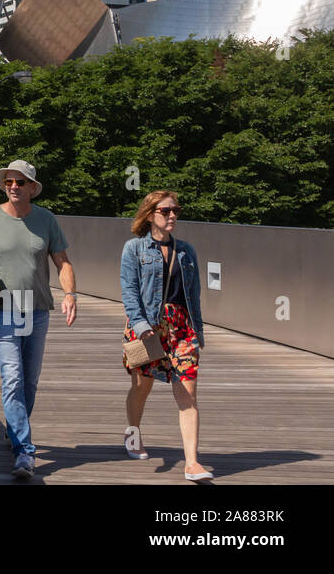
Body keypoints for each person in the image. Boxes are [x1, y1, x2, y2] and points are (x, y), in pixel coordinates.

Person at [0, 159, 77, 480]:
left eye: (20, 182)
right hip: (1, 308)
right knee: (13, 378)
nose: (13, 187)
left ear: (32, 187)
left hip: (38, 310)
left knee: (29, 381)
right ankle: (24, 452)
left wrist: (70, 294)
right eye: (8, 182)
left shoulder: (46, 220)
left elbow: (63, 262)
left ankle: (14, 428)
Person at [120, 190, 212, 482]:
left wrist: (198, 331)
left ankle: (192, 463)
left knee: (188, 394)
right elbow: (129, 291)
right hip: (146, 325)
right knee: (141, 387)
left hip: (181, 328)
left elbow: (193, 295)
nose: (172, 216)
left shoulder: (186, 251)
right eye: (166, 211)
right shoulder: (133, 249)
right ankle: (133, 433)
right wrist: (139, 323)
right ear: (150, 215)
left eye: (176, 211)